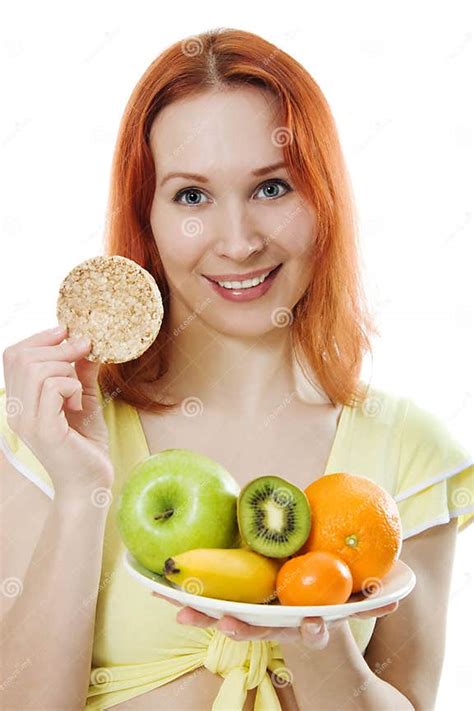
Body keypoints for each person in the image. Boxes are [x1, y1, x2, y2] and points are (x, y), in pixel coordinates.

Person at [1, 27, 473, 711]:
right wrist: (81, 494)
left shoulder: (411, 453)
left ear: (325, 201)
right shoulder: (52, 425)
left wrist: (313, 635)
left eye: (272, 186)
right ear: (148, 217)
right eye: (192, 196)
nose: (239, 240)